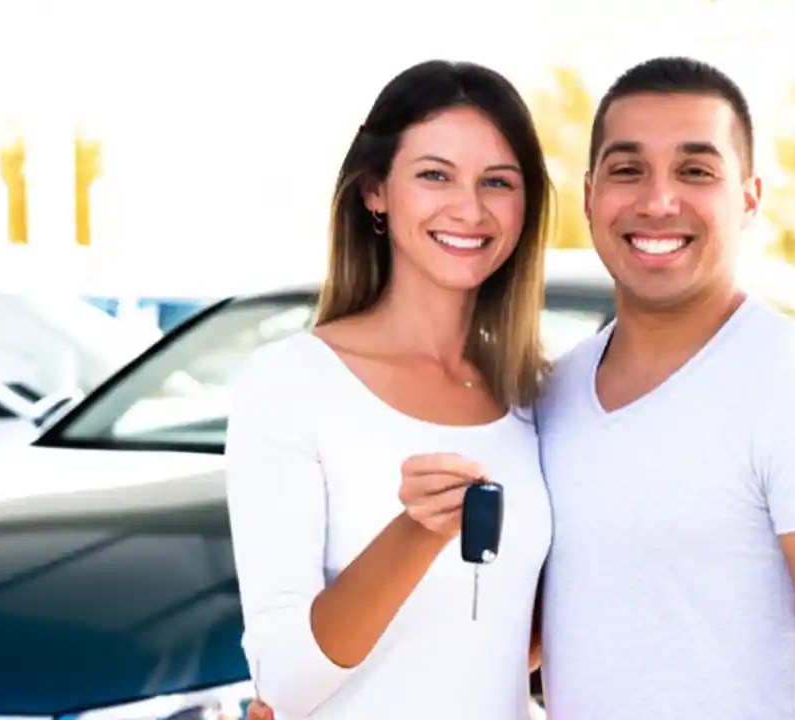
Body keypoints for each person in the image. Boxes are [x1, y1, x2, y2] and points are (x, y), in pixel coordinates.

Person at [533, 56, 795, 719]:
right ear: (591, 194)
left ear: (748, 199)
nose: (657, 201)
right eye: (628, 170)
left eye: (695, 170)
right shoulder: (555, 392)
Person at [225, 58, 554, 719]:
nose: (470, 208)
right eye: (435, 175)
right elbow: (283, 680)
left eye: (498, 181)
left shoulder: (534, 395)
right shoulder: (291, 383)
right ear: (375, 190)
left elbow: (500, 636)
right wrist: (415, 532)